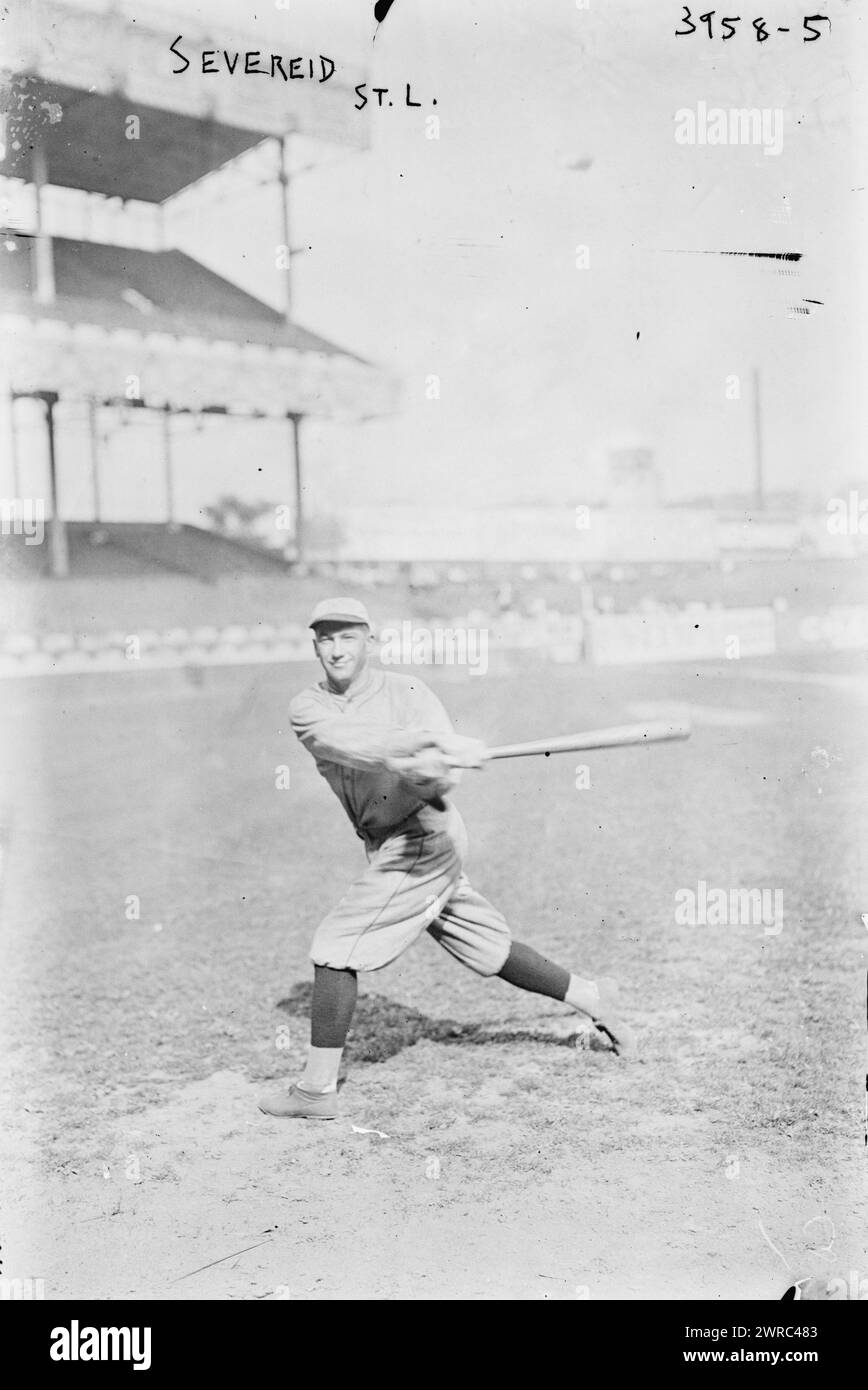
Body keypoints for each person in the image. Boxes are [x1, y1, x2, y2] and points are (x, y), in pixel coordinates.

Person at [259, 597, 636, 1120]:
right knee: (486, 946)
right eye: (326, 638)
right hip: (387, 841)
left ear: (371, 641)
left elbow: (440, 779)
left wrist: (441, 763)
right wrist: (425, 743)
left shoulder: (410, 692)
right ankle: (595, 998)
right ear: (315, 645)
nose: (336, 648)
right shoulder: (309, 706)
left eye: (348, 636)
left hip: (423, 837)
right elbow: (346, 742)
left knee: (336, 946)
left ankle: (315, 1091)